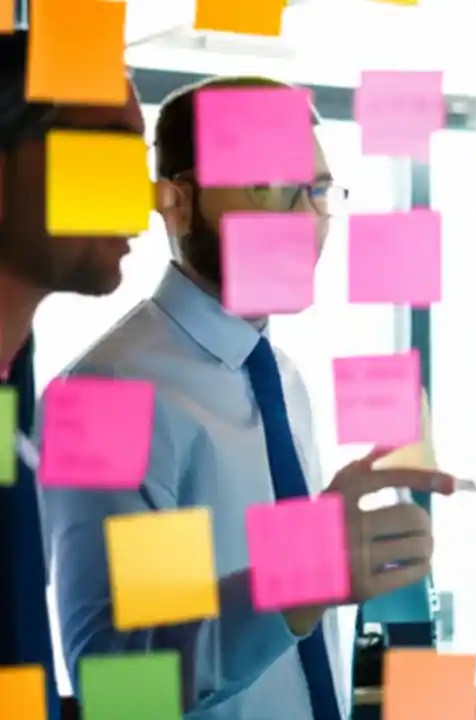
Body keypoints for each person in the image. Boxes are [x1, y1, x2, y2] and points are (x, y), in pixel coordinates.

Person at [40, 76, 452, 719]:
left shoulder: (283, 379)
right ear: (177, 204)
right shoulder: (108, 394)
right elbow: (119, 687)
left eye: (316, 191)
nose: (305, 220)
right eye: (268, 187)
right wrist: (303, 580)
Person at [0, 30, 146, 720]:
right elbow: (120, 656)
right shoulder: (116, 387)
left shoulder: (14, 397)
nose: (141, 207)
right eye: (110, 157)